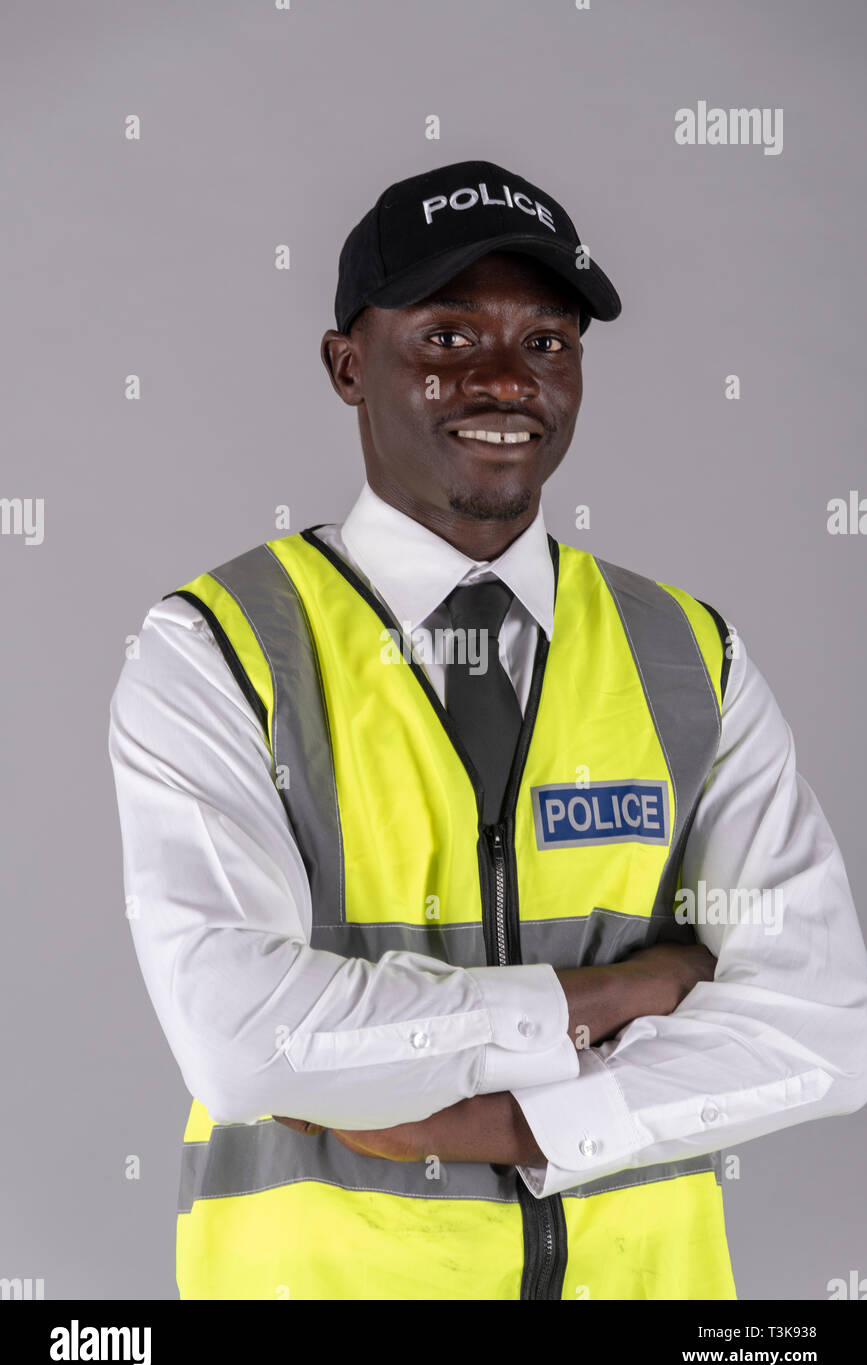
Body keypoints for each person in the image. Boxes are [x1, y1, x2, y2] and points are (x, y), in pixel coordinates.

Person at [108, 158, 867, 1300]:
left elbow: (825, 1026)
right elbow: (243, 1037)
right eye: (451, 338)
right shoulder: (217, 648)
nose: (507, 380)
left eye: (547, 343)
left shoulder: (687, 653)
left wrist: (521, 1123)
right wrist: (599, 999)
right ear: (347, 365)